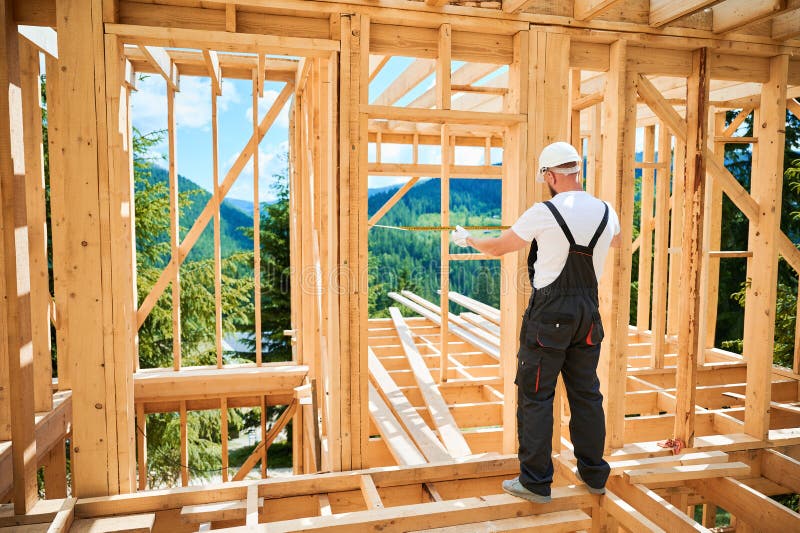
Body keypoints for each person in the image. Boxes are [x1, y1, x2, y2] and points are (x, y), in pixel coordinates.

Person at [451, 141, 620, 503]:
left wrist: (468, 239)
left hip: (550, 317)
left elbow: (498, 247)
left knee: (536, 396)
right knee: (587, 395)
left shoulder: (544, 212)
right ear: (577, 170)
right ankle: (594, 476)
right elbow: (616, 242)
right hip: (588, 316)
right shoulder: (607, 211)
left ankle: (535, 482)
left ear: (550, 175)